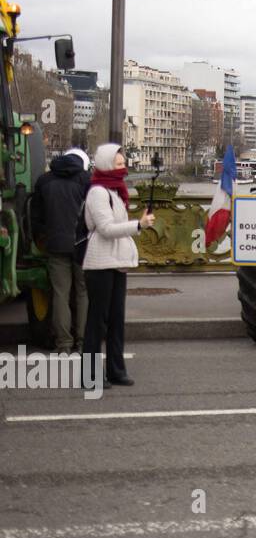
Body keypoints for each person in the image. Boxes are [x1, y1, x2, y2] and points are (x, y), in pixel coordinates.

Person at [81, 144, 154, 388]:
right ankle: (91, 375)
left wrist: (138, 223)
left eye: (124, 164)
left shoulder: (114, 190)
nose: (124, 168)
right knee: (97, 321)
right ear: (106, 164)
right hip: (101, 262)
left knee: (116, 319)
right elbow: (105, 229)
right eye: (119, 164)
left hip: (117, 262)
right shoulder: (98, 192)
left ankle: (115, 370)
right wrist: (139, 225)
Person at [30, 148, 92, 351]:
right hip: (82, 244)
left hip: (55, 244)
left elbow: (36, 216)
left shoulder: (44, 180)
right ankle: (84, 341)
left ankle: (63, 342)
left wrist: (44, 236)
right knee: (83, 293)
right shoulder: (86, 179)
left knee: (60, 294)